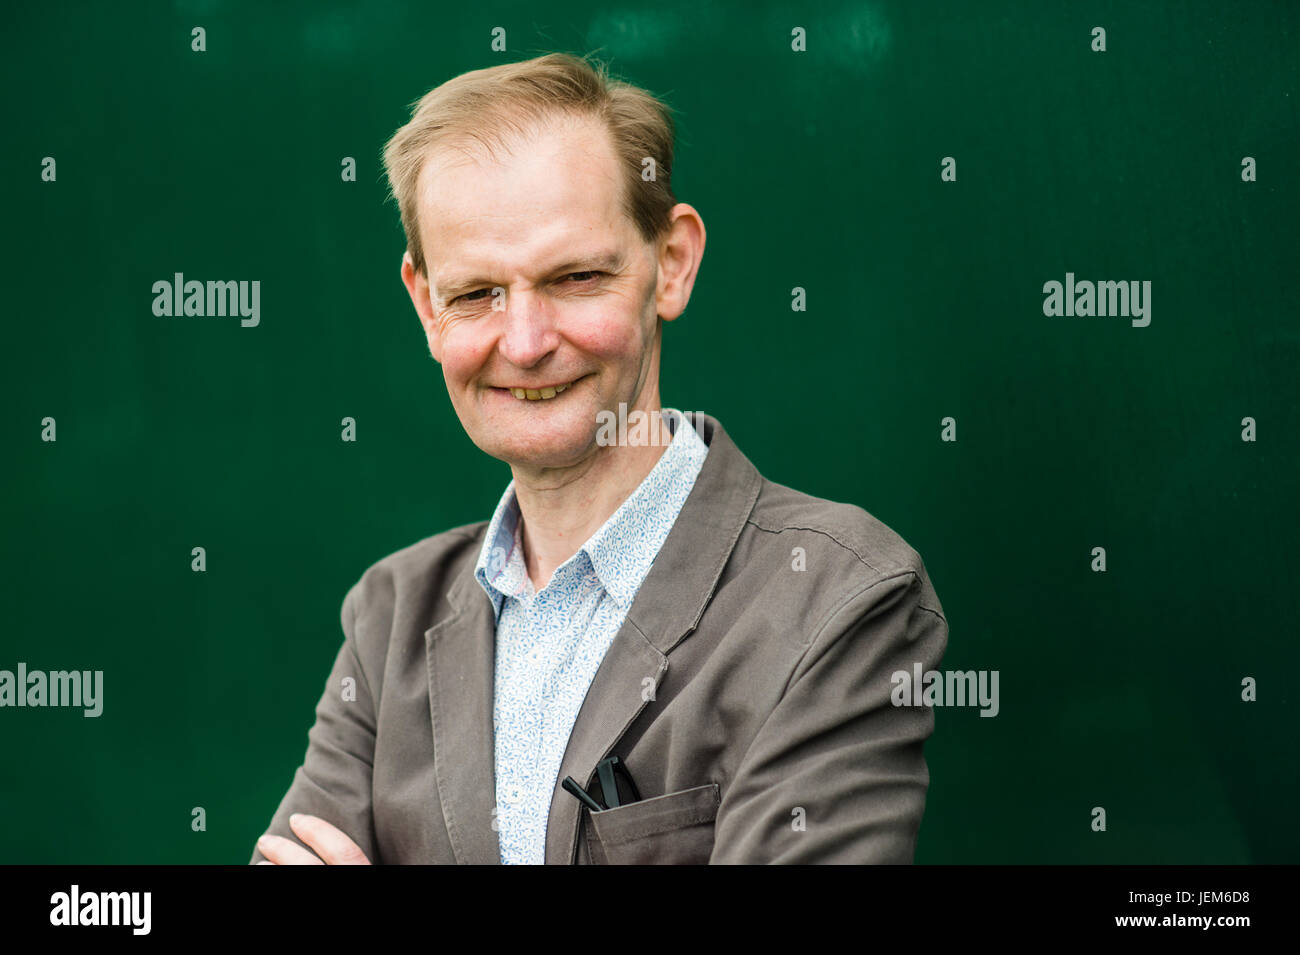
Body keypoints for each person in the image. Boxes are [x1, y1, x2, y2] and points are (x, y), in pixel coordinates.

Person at [251, 52, 947, 865]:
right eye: (476, 294)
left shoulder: (836, 599)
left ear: (672, 264)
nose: (525, 341)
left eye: (576, 277)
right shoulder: (389, 618)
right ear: (425, 304)